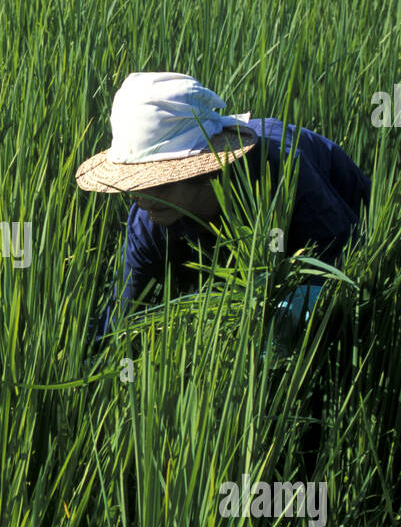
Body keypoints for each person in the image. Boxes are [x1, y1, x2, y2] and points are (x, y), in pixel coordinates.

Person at [76, 72, 371, 341]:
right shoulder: (147, 220)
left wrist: (286, 316)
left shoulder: (283, 175)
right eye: (133, 185)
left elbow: (338, 258)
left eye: (158, 183)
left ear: (206, 173)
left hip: (340, 206)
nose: (140, 198)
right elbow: (123, 313)